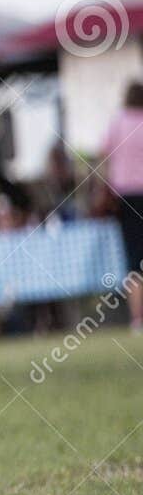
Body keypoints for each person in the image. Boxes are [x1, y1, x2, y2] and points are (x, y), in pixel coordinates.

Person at [99, 80, 143, 331]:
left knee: (133, 259)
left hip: (125, 197)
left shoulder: (118, 123)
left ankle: (137, 318)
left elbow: (103, 155)